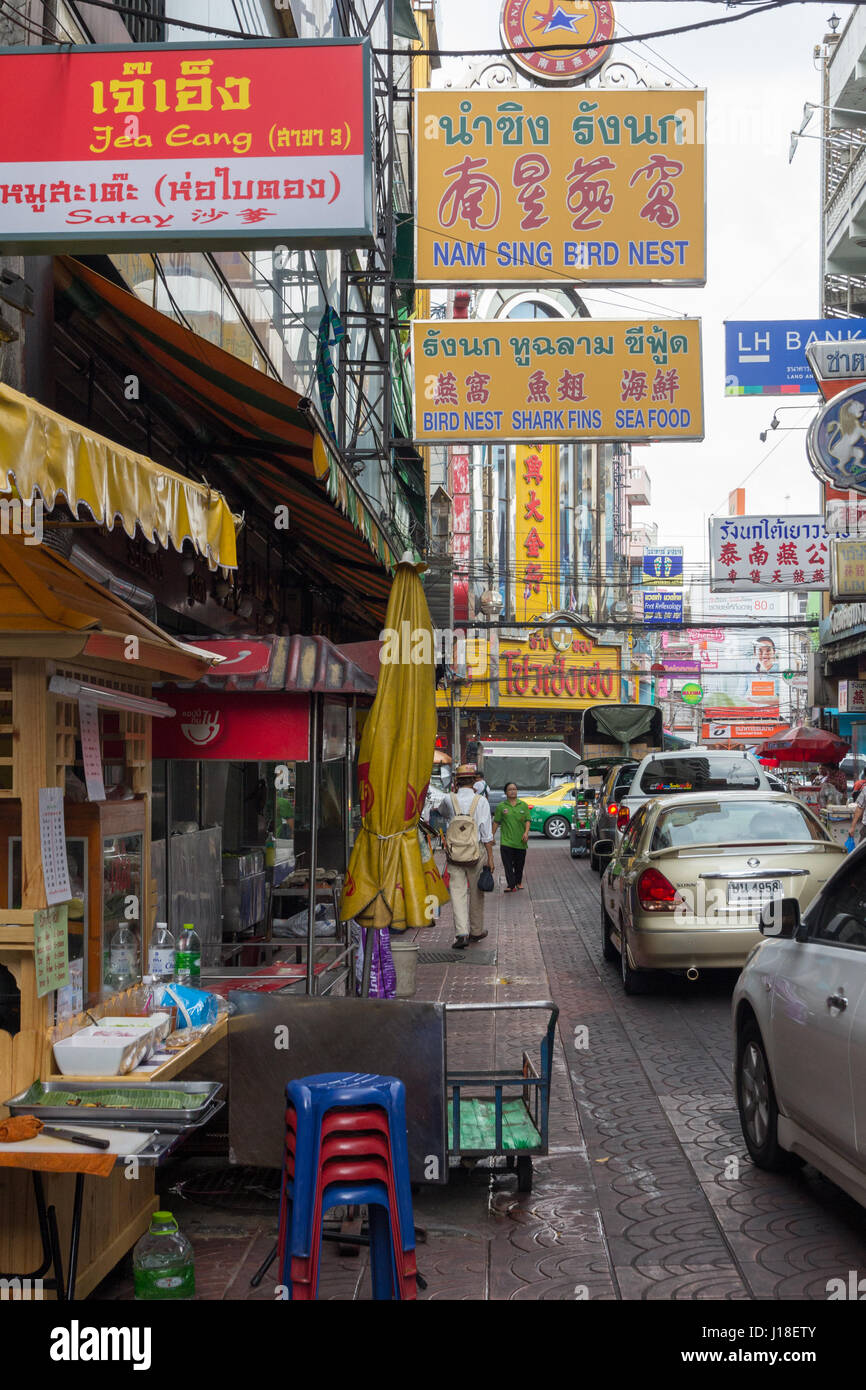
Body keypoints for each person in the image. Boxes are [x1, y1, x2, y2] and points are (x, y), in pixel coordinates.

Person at [439, 763, 495, 950]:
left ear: (456, 781)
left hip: (454, 853)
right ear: (474, 781)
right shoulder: (481, 801)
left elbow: (442, 813)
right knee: (476, 893)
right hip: (475, 852)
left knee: (457, 893)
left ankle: (461, 933)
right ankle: (476, 930)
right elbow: (487, 834)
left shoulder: (448, 799)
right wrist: (491, 858)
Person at [493, 782, 531, 892]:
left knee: (519, 864)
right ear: (506, 792)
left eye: (515, 789)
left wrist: (526, 833)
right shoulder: (501, 806)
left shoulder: (523, 805)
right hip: (506, 842)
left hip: (521, 841)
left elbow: (528, 820)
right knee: (508, 864)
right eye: (510, 789)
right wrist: (491, 836)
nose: (513, 791)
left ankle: (518, 882)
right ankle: (511, 885)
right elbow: (496, 822)